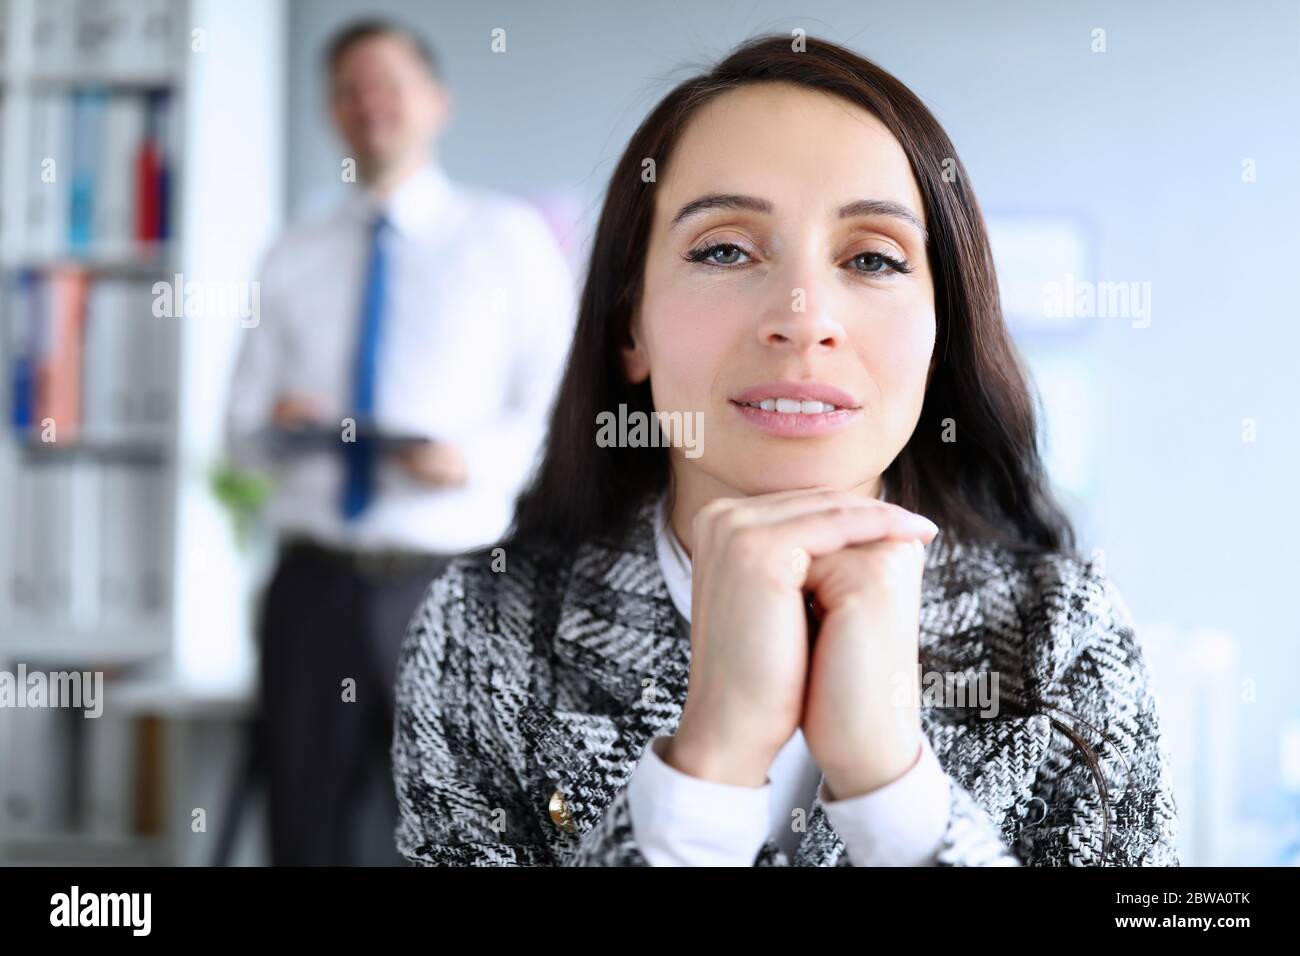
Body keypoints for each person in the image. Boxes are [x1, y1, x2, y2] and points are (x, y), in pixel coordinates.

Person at [390, 34, 1180, 866]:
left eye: (873, 258)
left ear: (942, 334)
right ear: (631, 324)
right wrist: (709, 770)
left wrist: (894, 795)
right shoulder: (479, 628)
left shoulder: (1064, 633)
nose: (803, 316)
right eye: (724, 249)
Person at [224, 19, 574, 865]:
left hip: (450, 586)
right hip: (312, 587)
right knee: (305, 832)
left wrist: (473, 460)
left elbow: (560, 408)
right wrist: (283, 425)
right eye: (349, 89)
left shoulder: (507, 241)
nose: (368, 104)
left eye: (388, 84)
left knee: (464, 833)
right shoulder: (291, 253)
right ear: (331, 115)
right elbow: (237, 436)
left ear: (436, 102)